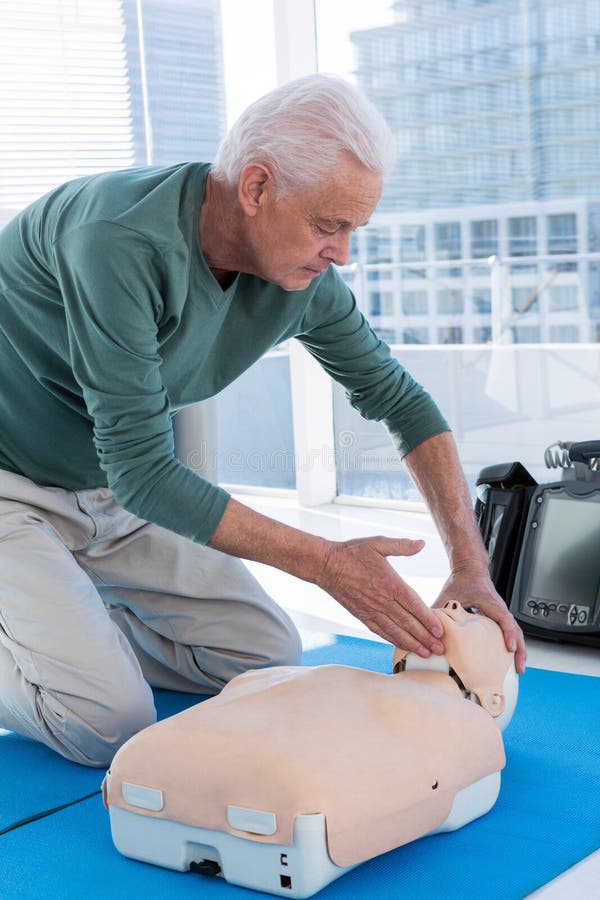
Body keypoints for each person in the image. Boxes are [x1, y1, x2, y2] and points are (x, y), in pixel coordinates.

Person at [0, 74, 526, 768]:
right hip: (13, 489)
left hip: (108, 495)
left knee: (265, 656)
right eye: (328, 225)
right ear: (255, 189)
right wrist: (329, 564)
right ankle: (56, 645)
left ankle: (68, 629)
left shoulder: (303, 281)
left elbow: (402, 402)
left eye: (353, 229)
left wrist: (470, 565)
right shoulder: (115, 239)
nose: (342, 253)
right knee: (106, 724)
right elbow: (144, 469)